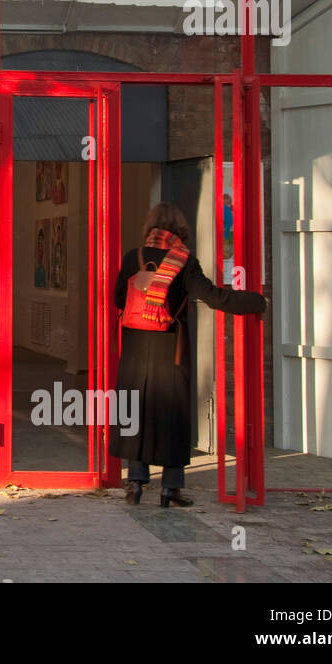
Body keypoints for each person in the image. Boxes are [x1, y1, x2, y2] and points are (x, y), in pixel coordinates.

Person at [112, 202, 265, 508]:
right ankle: (170, 487)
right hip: (172, 350)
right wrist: (256, 300)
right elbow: (214, 296)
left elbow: (118, 299)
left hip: (135, 350)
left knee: (136, 412)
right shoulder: (183, 261)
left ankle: (136, 483)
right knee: (172, 416)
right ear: (181, 230)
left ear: (150, 227)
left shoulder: (133, 257)